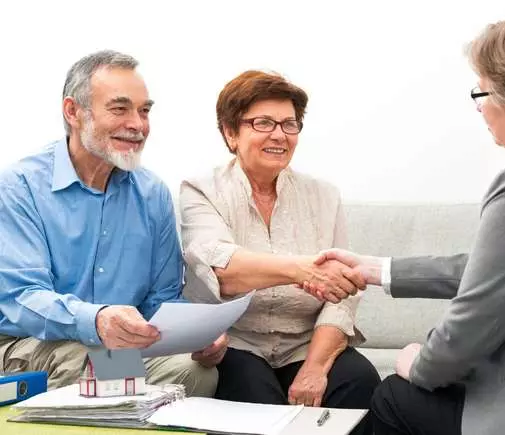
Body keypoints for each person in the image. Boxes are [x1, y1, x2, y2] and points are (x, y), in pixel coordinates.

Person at [305, 9, 505, 435]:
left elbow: (468, 331)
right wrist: (377, 270)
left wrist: (416, 362)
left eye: (482, 95)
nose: (480, 111)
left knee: (394, 396)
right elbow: (499, 269)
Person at [0, 50, 226, 396]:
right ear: (73, 112)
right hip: (28, 341)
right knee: (93, 363)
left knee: (194, 371)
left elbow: (161, 300)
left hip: (118, 349)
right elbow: (22, 298)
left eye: (144, 110)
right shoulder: (20, 186)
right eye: (120, 109)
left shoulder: (153, 194)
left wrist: (198, 334)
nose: (137, 124)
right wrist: (96, 319)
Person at [180, 70, 380, 435]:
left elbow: (343, 295)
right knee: (254, 398)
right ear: (230, 133)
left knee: (359, 381)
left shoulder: (324, 196)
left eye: (290, 124)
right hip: (240, 342)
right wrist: (304, 270)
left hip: (307, 342)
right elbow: (222, 268)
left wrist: (316, 367)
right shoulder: (201, 190)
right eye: (263, 123)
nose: (279, 135)